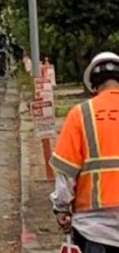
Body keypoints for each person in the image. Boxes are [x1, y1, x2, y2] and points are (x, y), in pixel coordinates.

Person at [50, 51, 119, 253]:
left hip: (94, 229)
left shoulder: (80, 114)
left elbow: (66, 172)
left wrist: (61, 208)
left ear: (93, 84)